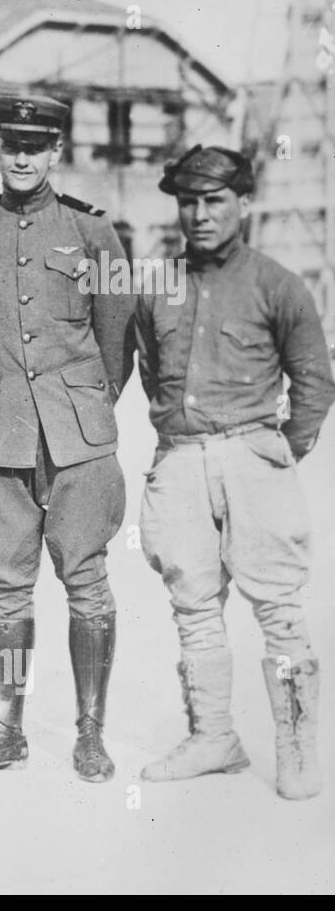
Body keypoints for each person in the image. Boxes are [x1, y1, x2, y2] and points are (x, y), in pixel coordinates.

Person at [0, 95, 135, 783]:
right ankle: (5, 729)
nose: (21, 156)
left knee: (88, 584)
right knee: (4, 589)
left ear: (55, 151)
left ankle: (88, 731)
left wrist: (86, 402)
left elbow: (117, 336)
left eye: (36, 144)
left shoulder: (91, 230)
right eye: (9, 143)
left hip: (78, 440)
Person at [136, 145, 335, 800]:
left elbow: (314, 379)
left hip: (254, 451)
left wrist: (279, 454)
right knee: (193, 606)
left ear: (243, 202)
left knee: (278, 607)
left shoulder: (278, 283)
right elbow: (144, 368)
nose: (199, 214)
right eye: (188, 202)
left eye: (214, 200)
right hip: (181, 458)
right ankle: (214, 737)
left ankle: (298, 744)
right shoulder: (157, 284)